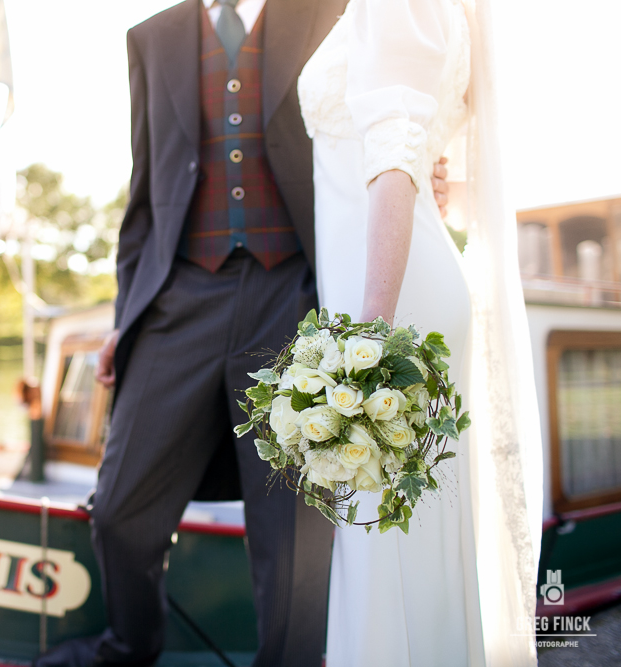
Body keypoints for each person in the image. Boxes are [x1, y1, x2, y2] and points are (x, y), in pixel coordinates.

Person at [34, 1, 454, 666]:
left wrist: (426, 162)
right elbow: (146, 192)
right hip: (178, 296)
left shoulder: (329, 10)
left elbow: (379, 118)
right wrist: (125, 316)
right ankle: (128, 646)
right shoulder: (152, 38)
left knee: (291, 533)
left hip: (293, 292)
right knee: (118, 509)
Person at [297, 0, 543, 665]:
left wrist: (370, 334)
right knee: (396, 542)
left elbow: (398, 156)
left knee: (388, 541)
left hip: (390, 300)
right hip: (392, 282)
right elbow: (420, 149)